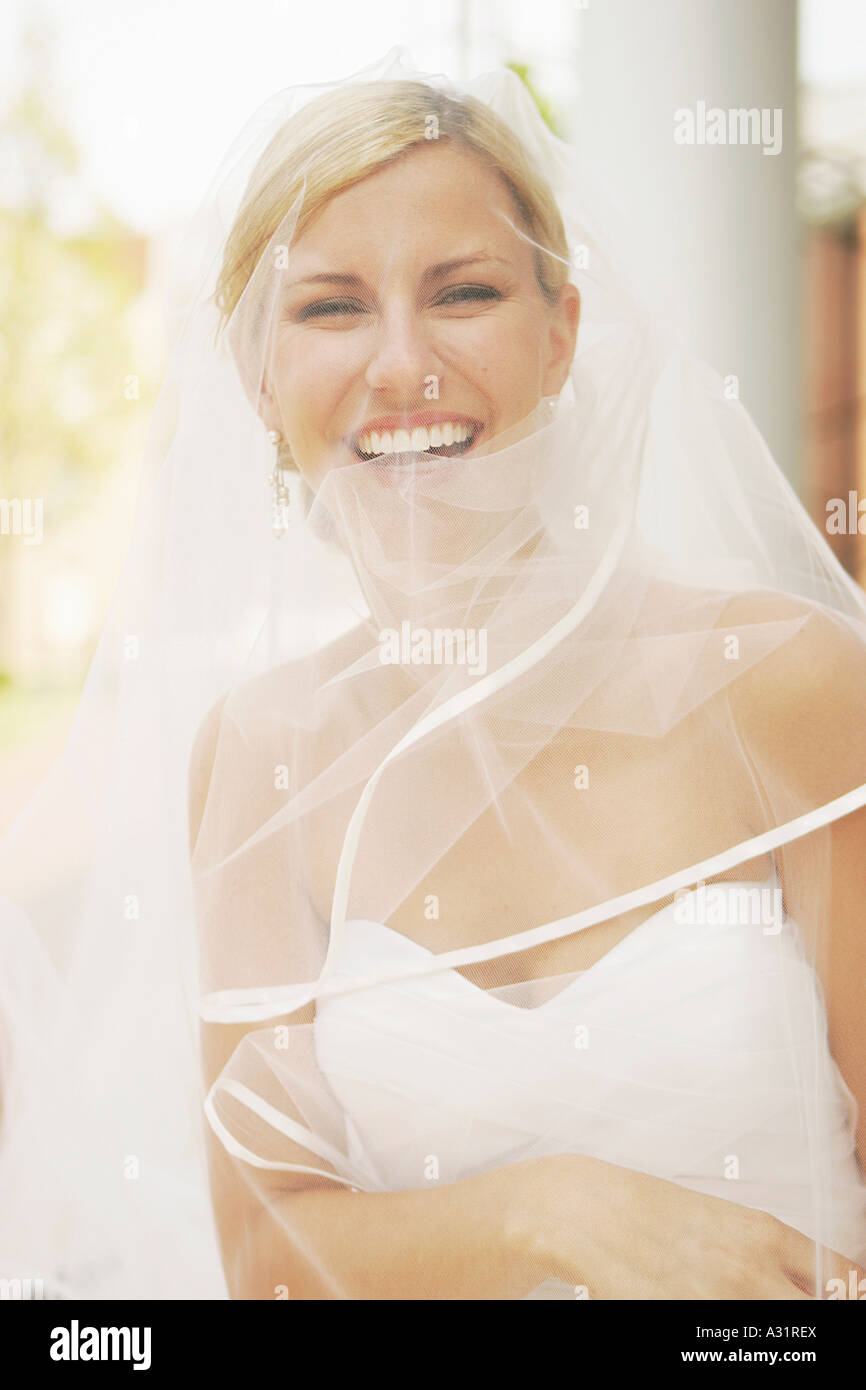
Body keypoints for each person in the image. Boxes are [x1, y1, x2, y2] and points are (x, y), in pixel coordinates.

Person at [1, 50, 865, 1301]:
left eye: (461, 293)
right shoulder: (258, 754)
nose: (401, 363)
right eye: (331, 307)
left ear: (561, 332)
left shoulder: (788, 681)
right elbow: (267, 1254)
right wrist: (550, 1210)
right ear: (257, 377)